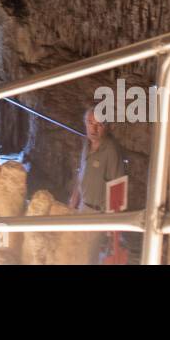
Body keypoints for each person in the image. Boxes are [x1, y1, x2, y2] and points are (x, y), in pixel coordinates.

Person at [69, 108, 125, 262]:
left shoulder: (112, 150)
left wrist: (114, 225)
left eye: (98, 125)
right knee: (77, 251)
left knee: (88, 256)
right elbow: (82, 173)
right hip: (83, 208)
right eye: (90, 123)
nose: (93, 129)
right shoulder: (87, 144)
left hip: (97, 213)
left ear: (106, 126)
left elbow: (117, 186)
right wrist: (74, 197)